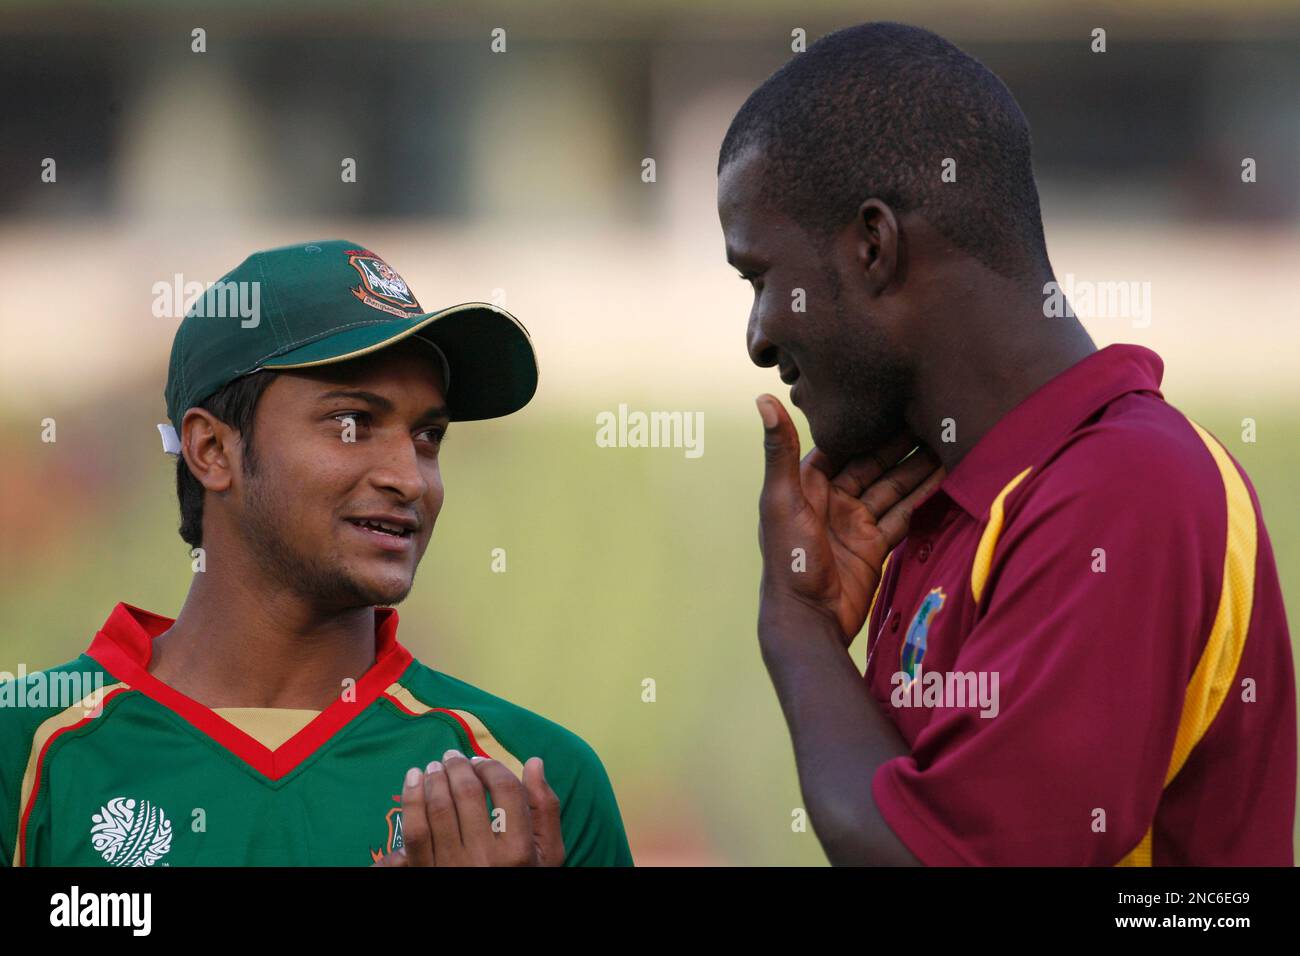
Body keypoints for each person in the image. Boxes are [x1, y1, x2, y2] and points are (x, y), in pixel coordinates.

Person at [717, 22, 1294, 865]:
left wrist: (796, 627)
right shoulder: (948, 508)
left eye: (761, 278)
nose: (759, 338)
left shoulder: (1127, 488)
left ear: (873, 247)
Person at [1, 239, 633, 867]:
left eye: (427, 436)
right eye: (352, 423)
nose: (409, 478)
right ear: (212, 450)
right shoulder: (22, 751)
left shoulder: (530, 781)